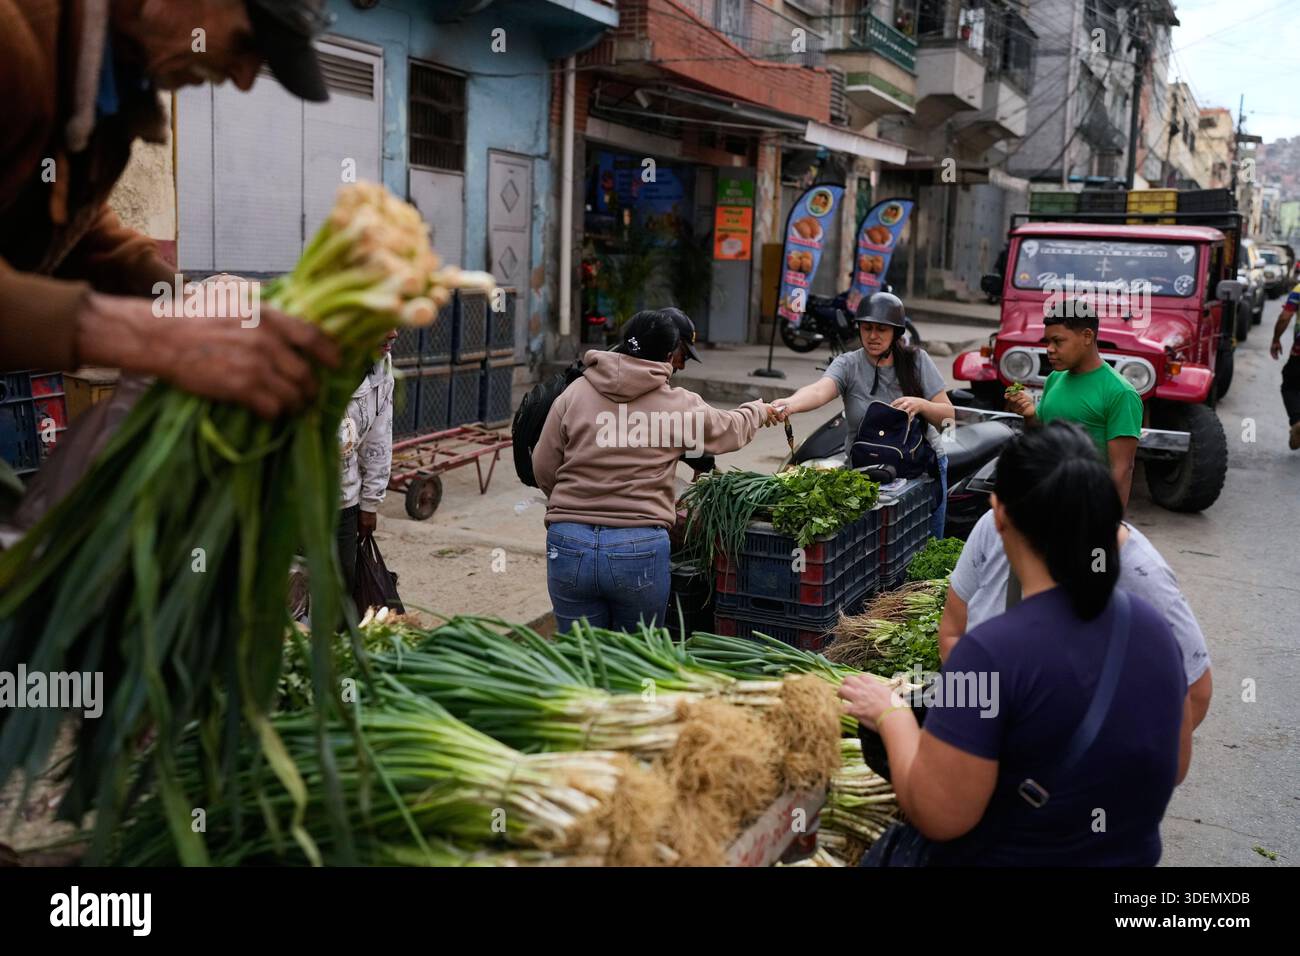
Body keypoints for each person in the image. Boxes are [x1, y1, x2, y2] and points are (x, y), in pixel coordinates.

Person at [839, 423, 1192, 866]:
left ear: (998, 514)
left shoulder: (988, 654)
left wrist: (890, 715)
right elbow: (1174, 766)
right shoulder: (1153, 629)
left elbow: (939, 815)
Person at [0, 0, 339, 419]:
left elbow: (68, 222)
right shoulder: (13, 37)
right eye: (246, 42)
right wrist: (144, 338)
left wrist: (185, 299)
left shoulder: (112, 89)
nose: (246, 79)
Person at [532, 309, 780, 633]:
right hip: (637, 549)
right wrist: (758, 411)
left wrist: (577, 503)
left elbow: (543, 467)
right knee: (636, 658)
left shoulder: (574, 393)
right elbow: (729, 429)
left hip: (568, 542)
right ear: (667, 355)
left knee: (578, 660)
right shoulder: (680, 405)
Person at [940, 509, 1213, 728]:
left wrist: (896, 717)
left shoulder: (1139, 582)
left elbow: (1195, 693)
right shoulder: (993, 529)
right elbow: (952, 632)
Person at [773, 292, 954, 538]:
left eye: (881, 329)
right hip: (864, 471)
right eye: (867, 328)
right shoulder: (848, 364)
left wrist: (921, 405)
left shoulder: (917, 361)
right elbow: (819, 390)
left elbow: (948, 418)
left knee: (923, 544)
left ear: (896, 333)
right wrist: (790, 404)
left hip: (918, 472)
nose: (872, 336)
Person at [1003, 299, 1143, 507]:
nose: (1049, 349)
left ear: (1087, 336)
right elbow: (1043, 438)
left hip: (1086, 507)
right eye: (1047, 342)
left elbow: (1122, 469)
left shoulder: (1120, 392)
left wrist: (1110, 525)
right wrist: (1031, 415)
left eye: (1058, 341)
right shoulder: (1054, 378)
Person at [337, 329, 396, 595]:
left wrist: (370, 503)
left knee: (341, 587)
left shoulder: (381, 371)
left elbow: (378, 440)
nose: (393, 333)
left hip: (344, 504)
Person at [1269, 279, 1300, 450]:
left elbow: (1285, 316)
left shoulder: (1299, 289)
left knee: (1290, 385)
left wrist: (1276, 339)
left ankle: (1297, 422)